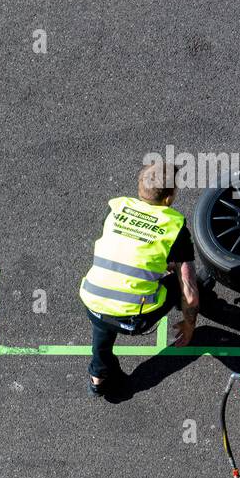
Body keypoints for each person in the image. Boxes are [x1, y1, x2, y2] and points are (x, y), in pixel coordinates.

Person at [79, 160, 199, 397]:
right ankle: (109, 374)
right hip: (134, 317)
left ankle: (98, 375)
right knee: (179, 281)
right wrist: (189, 325)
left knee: (104, 316)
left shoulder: (116, 208)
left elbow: (127, 246)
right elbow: (190, 292)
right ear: (169, 198)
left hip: (92, 301)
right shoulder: (174, 227)